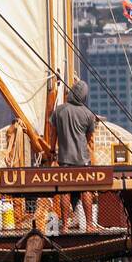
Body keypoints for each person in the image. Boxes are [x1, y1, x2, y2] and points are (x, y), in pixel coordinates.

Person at [50, 79, 98, 228]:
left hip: (64, 159)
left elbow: (53, 134)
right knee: (86, 191)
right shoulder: (88, 114)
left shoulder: (59, 111)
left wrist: (52, 150)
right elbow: (90, 140)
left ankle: (64, 226)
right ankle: (89, 225)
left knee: (65, 191)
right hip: (83, 160)